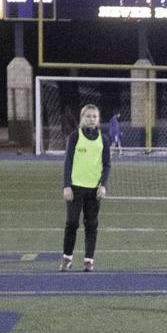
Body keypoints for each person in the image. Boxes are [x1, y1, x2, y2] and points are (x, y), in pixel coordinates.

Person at [59, 102, 111, 272]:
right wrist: (66, 185)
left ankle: (89, 260)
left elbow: (107, 164)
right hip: (75, 188)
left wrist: (103, 185)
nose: (91, 119)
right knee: (72, 223)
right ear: (82, 118)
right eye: (88, 116)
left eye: (94, 116)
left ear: (98, 119)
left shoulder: (104, 139)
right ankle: (67, 258)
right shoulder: (75, 136)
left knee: (91, 224)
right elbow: (68, 162)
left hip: (94, 190)